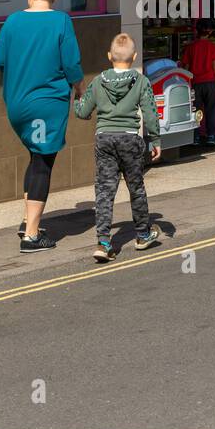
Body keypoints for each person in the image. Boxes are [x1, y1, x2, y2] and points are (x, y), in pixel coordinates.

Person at [0, 0, 84, 254]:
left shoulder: (12, 21)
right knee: (43, 163)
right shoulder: (61, 20)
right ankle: (31, 236)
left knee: (35, 157)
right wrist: (79, 88)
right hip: (46, 104)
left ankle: (26, 221)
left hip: (17, 104)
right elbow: (71, 63)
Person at [74, 33, 162, 263]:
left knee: (104, 190)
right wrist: (155, 140)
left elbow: (83, 112)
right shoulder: (141, 81)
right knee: (136, 187)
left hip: (104, 138)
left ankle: (103, 243)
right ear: (134, 57)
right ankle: (143, 234)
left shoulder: (98, 81)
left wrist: (76, 99)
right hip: (130, 140)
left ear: (109, 56)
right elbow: (151, 113)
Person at [179, 22, 215, 146]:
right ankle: (211, 136)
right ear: (209, 32)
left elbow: (186, 66)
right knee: (210, 111)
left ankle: (195, 137)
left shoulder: (191, 47)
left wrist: (186, 83)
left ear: (197, 32)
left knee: (195, 111)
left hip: (195, 83)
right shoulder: (212, 46)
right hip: (210, 82)